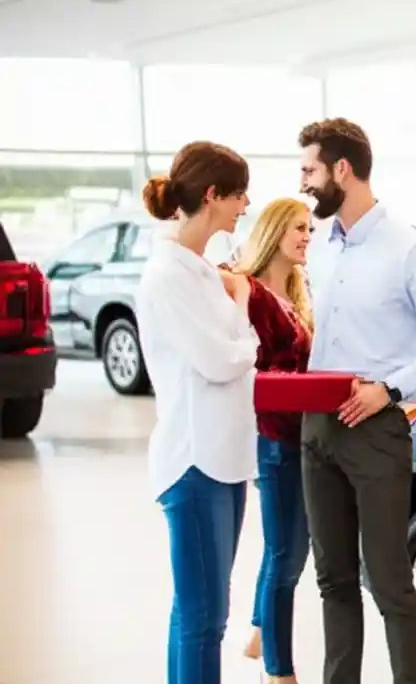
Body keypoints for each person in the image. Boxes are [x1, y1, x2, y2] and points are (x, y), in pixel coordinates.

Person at [297, 117, 416, 683]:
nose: (302, 182)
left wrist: (389, 391)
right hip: (316, 426)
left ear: (341, 170)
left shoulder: (411, 248)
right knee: (333, 581)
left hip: (375, 430)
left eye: (310, 169)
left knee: (391, 582)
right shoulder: (321, 246)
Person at [135, 141, 258, 683]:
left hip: (225, 458)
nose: (245, 205)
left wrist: (240, 335)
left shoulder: (202, 271)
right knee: (204, 619)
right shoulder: (168, 275)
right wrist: (244, 327)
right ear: (212, 195)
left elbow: (235, 347)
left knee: (199, 613)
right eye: (238, 195)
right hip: (194, 461)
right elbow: (221, 359)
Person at [226, 197, 315, 684]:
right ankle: (279, 671)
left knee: (285, 549)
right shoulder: (252, 291)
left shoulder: (298, 291)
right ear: (275, 231)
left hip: (301, 433)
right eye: (299, 228)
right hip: (272, 436)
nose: (307, 237)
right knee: (287, 554)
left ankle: (261, 631)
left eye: (310, 230)